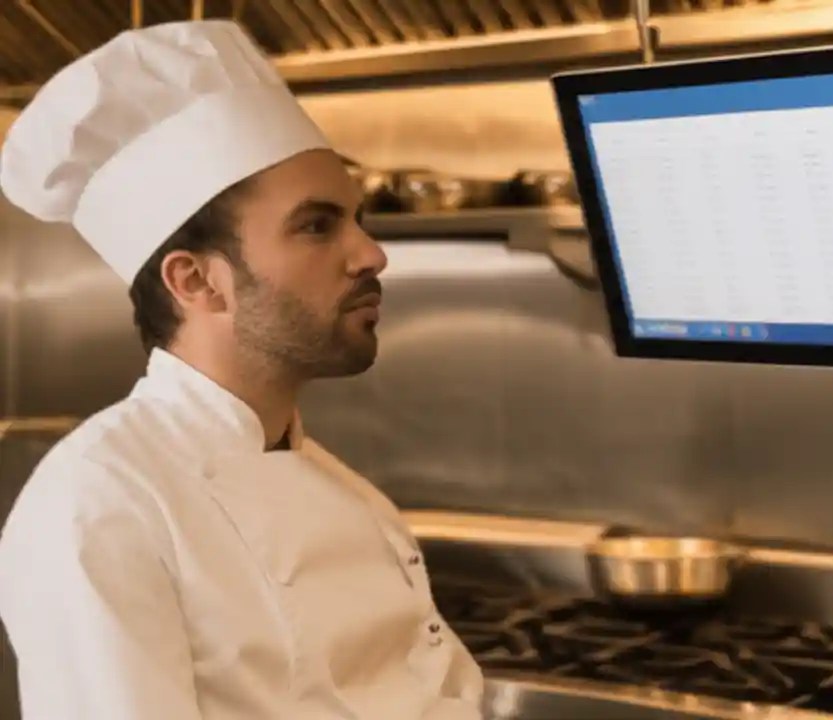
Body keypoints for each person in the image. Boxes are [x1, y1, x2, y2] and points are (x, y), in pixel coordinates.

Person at [0, 19, 483, 720]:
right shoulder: (102, 506)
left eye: (358, 220)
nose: (371, 254)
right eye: (318, 226)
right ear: (196, 281)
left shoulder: (348, 495)